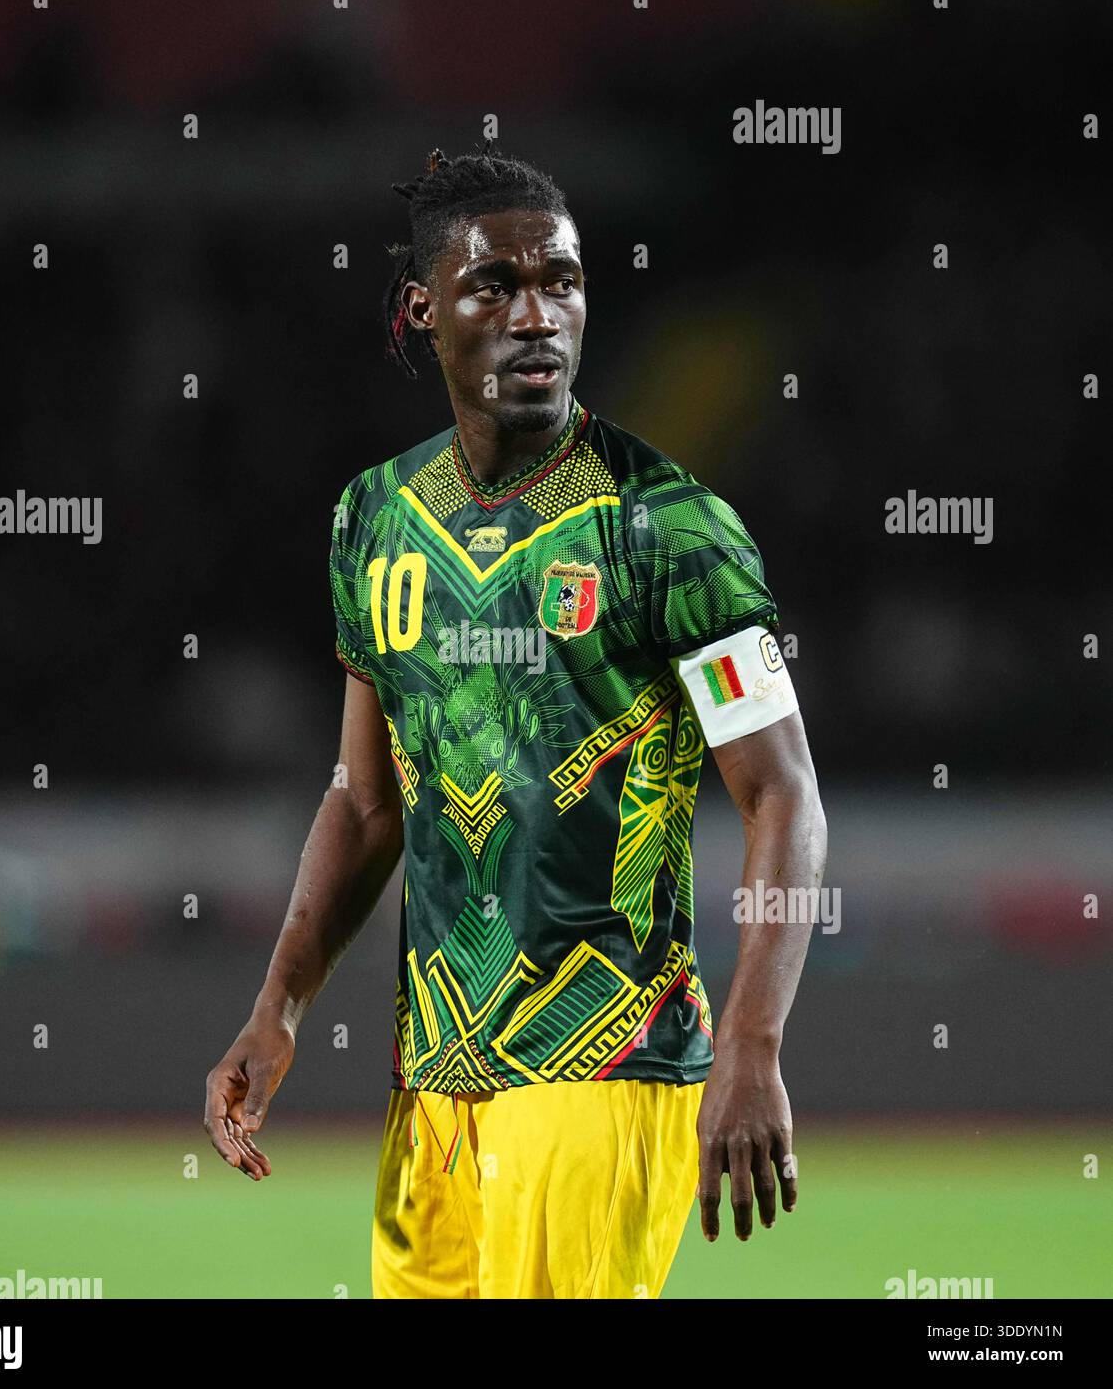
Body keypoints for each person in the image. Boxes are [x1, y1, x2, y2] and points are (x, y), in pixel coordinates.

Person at [204, 141, 827, 1299]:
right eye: (497, 284)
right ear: (421, 308)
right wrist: (277, 1005)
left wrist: (753, 1041)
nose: (539, 314)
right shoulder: (375, 519)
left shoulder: (672, 526)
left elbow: (783, 791)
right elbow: (366, 799)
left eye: (565, 280)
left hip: (606, 1065)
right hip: (434, 1088)